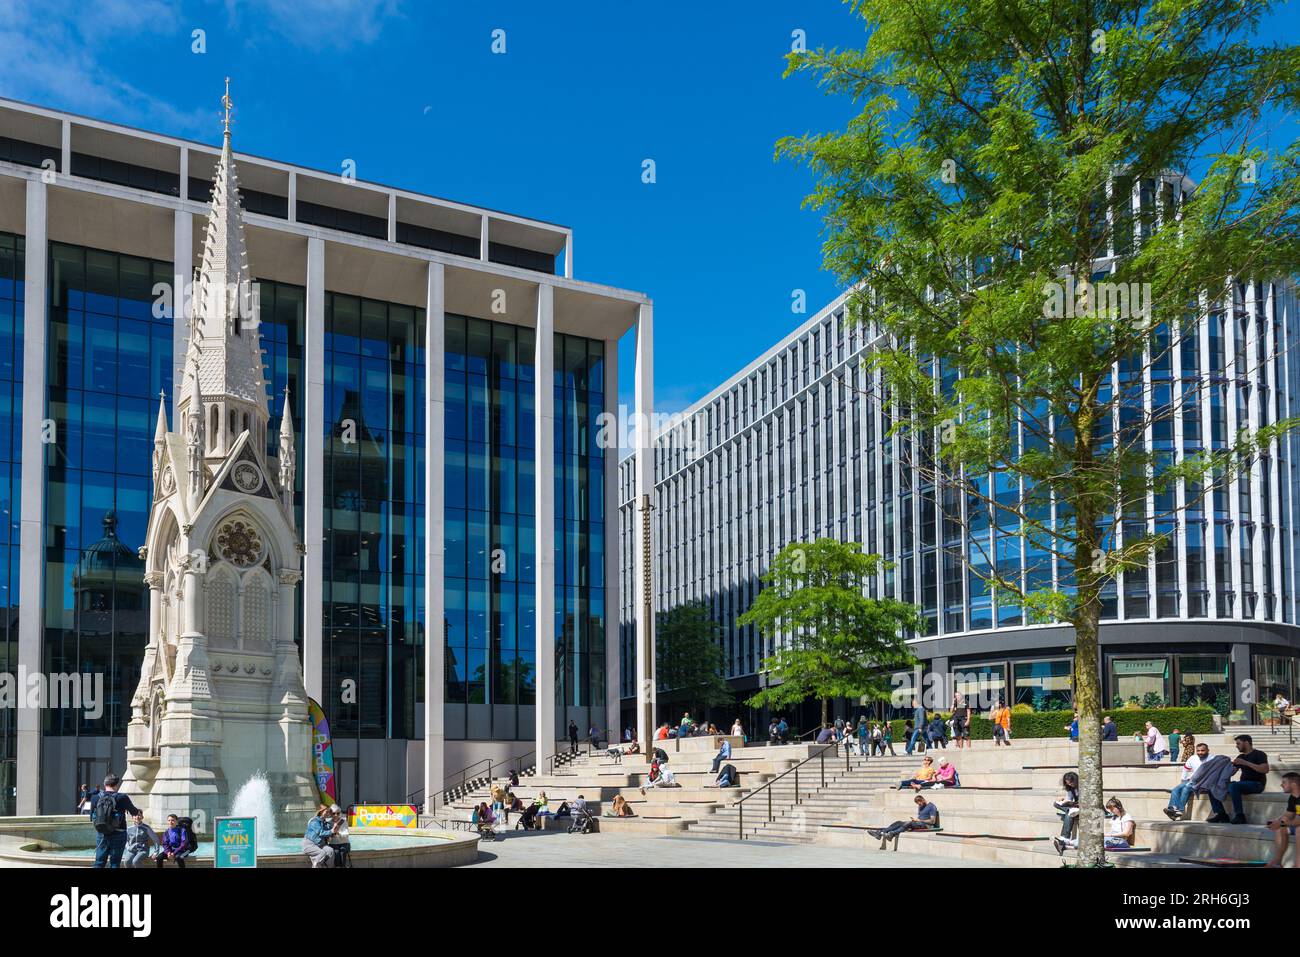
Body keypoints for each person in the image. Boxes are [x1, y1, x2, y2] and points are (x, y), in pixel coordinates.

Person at [1207, 735, 1270, 824]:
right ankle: (1221, 814)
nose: (1236, 746)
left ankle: (1240, 815)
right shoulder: (1241, 756)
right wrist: (1225, 766)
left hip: (1257, 784)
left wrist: (1246, 763)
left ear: (1247, 743)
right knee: (1211, 787)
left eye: (1238, 743)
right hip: (1242, 784)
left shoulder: (1259, 754)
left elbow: (1265, 769)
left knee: (1234, 786)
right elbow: (1231, 772)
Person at [91, 774, 142, 869]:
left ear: (104, 784)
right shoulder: (122, 797)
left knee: (99, 862)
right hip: (119, 833)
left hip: (102, 833)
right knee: (115, 863)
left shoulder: (95, 797)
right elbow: (134, 812)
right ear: (116, 785)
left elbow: (92, 817)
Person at [1054, 797, 1135, 854]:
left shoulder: (1127, 817)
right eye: (1109, 809)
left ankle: (1066, 845)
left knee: (1095, 842)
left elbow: (1126, 833)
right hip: (1113, 839)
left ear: (1118, 807)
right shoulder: (1115, 818)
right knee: (1090, 837)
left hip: (1121, 841)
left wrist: (1108, 834)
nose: (1111, 811)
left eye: (1111, 809)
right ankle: (1065, 845)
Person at [866, 794, 940, 850]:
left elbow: (932, 821)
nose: (919, 805)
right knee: (899, 822)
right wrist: (916, 820)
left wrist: (919, 820)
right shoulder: (920, 806)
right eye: (917, 803)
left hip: (926, 825)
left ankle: (888, 833)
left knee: (908, 823)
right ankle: (881, 833)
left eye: (919, 803)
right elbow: (920, 817)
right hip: (918, 823)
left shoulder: (931, 806)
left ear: (923, 800)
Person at [1164, 741, 1210, 820]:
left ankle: (1179, 810)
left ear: (1207, 750)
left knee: (1186, 789)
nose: (1200, 752)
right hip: (1192, 780)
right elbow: (1186, 768)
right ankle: (1172, 809)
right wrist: (1183, 779)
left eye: (1202, 750)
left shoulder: (1212, 759)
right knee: (1176, 789)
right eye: (1198, 751)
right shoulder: (1193, 758)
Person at [1265, 771, 1299, 868]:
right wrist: (1277, 821)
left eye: (1284, 782)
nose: (1281, 785)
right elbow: (1288, 814)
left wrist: (1283, 823)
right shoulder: (1293, 797)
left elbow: (1298, 820)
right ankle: (1277, 863)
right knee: (1280, 828)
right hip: (1297, 823)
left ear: (1293, 784)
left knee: (1298, 830)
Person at [1054, 772, 1080, 839]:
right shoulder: (1070, 788)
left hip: (1082, 806)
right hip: (1075, 807)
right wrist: (1063, 800)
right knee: (1056, 803)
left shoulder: (1082, 787)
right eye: (1068, 783)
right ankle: (1070, 810)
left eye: (1071, 783)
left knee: (1069, 813)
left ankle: (1064, 837)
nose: (1070, 785)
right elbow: (1069, 799)